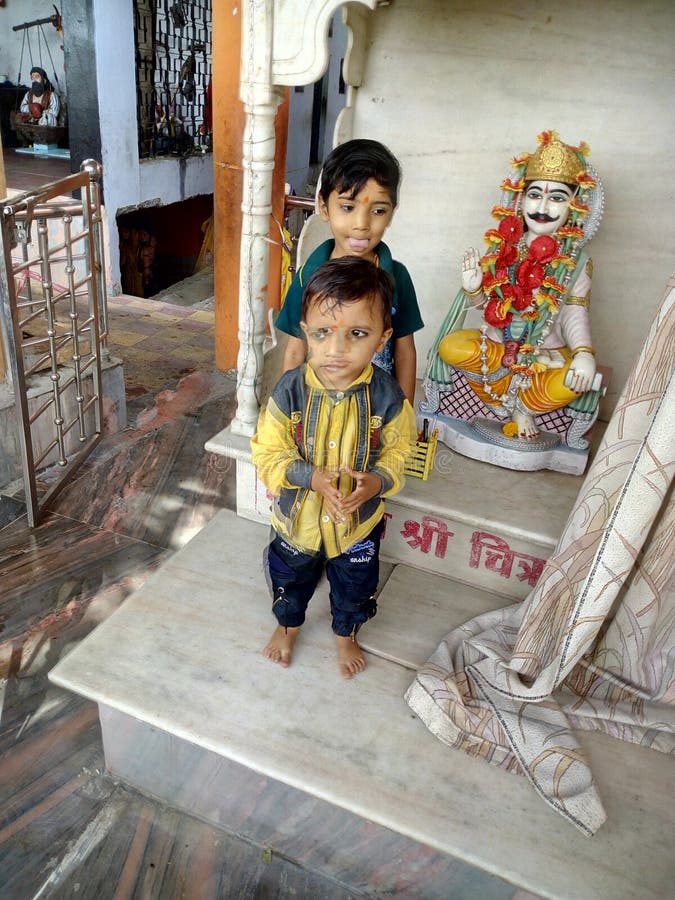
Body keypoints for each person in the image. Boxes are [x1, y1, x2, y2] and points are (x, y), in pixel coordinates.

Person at [251, 257, 416, 678]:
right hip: (298, 522)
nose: (337, 350)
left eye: (357, 334)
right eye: (323, 333)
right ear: (305, 332)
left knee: (356, 586)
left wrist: (378, 481)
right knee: (289, 578)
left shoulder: (388, 397)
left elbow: (401, 450)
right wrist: (308, 477)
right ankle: (288, 627)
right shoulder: (289, 391)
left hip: (356, 525)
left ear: (383, 338)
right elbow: (267, 450)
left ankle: (347, 634)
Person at [429, 131, 603, 441]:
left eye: (557, 198)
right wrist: (474, 289)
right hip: (496, 349)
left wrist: (584, 354)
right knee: (451, 346)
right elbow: (492, 310)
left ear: (574, 206)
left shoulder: (575, 261)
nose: (543, 207)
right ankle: (507, 405)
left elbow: (575, 314)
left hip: (544, 357)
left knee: (576, 380)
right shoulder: (505, 246)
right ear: (521, 198)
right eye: (535, 195)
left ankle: (524, 409)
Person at [275, 139, 424, 405]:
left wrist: (405, 418)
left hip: (377, 412)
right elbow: (296, 351)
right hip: (318, 411)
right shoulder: (306, 277)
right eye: (347, 207)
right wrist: (285, 411)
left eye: (378, 211)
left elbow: (404, 352)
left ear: (391, 214)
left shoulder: (397, 278)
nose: (361, 225)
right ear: (323, 207)